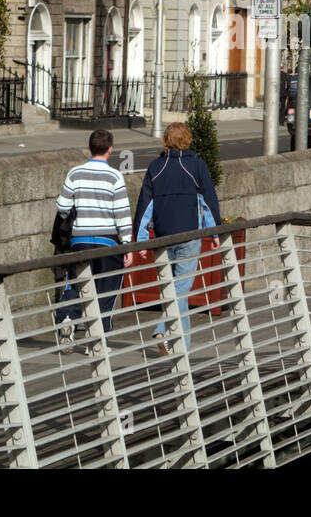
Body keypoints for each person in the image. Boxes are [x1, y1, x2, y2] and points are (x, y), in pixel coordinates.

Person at [133, 121, 222, 355]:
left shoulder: (155, 167)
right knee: (181, 290)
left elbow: (145, 207)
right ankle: (162, 330)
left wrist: (141, 240)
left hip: (162, 238)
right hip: (189, 235)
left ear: (166, 141)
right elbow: (208, 203)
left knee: (172, 291)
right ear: (188, 139)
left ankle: (181, 346)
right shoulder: (197, 166)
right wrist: (215, 233)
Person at [55, 129, 134, 350]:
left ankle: (67, 319)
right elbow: (122, 213)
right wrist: (127, 244)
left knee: (76, 283)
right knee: (106, 290)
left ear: (90, 148)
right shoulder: (115, 177)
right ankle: (98, 339)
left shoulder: (75, 173)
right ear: (110, 149)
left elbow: (62, 207)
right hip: (107, 242)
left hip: (79, 241)